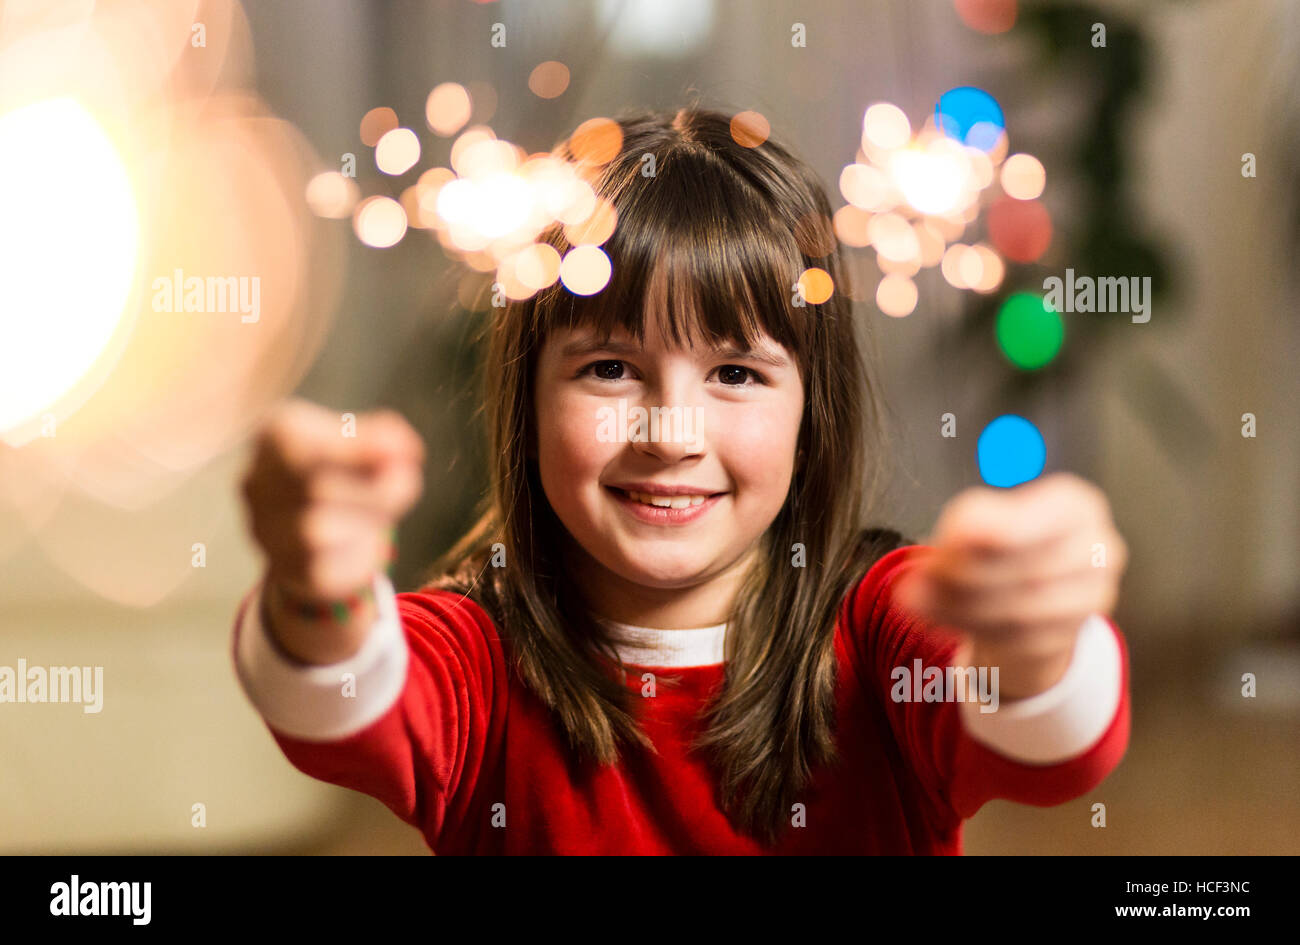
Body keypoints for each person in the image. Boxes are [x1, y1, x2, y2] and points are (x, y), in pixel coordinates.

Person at [233, 105, 1130, 854]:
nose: (671, 435)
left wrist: (1038, 636)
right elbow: (341, 700)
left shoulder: (882, 625)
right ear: (527, 401)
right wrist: (320, 589)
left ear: (811, 411)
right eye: (610, 369)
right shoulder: (479, 655)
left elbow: (1052, 747)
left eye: (736, 373)